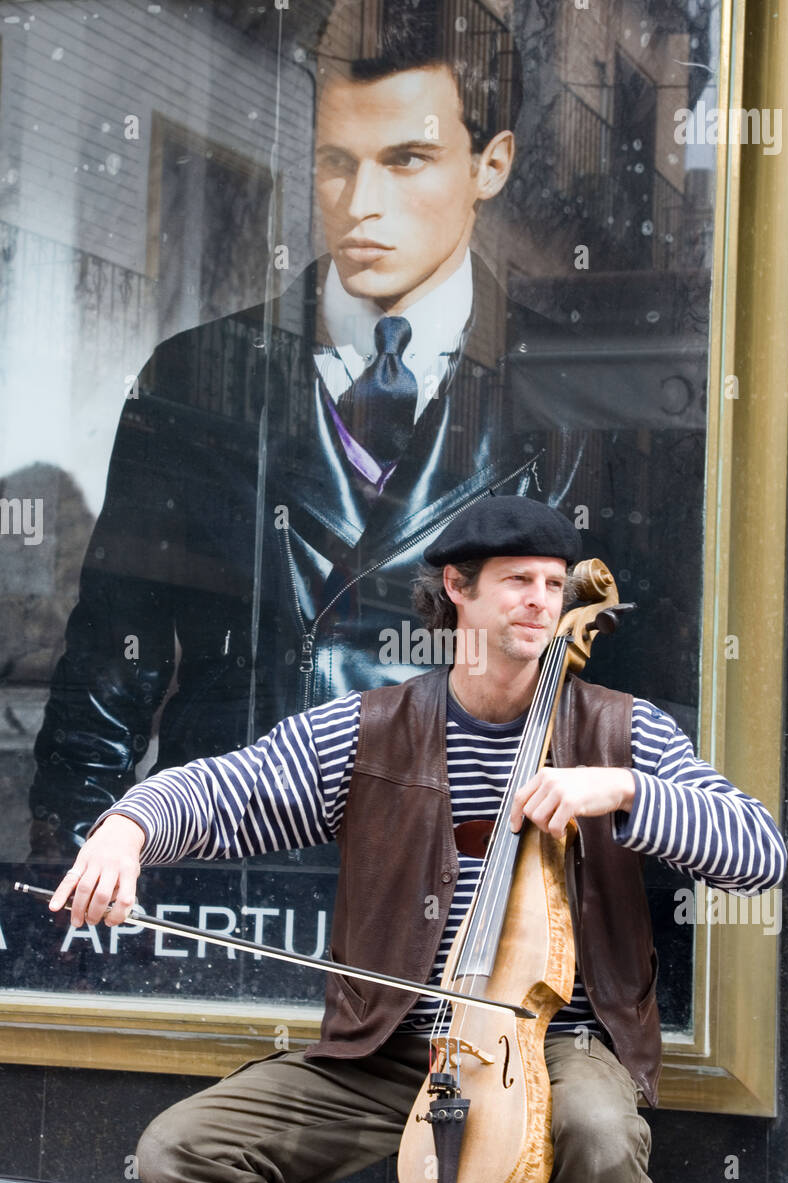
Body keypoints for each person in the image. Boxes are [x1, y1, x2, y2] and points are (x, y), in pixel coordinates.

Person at [49, 496, 787, 1183]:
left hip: (556, 1046)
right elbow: (230, 788)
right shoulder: (372, 728)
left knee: (604, 1137)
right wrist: (129, 827)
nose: (542, 599)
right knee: (181, 1148)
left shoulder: (624, 734)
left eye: (552, 582)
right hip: (396, 1044)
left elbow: (760, 853)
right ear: (457, 588)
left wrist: (622, 790)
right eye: (517, 581)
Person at [30, 0, 589, 856]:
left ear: (492, 163)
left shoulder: (561, 411)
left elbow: (606, 708)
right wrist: (66, 908)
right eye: (337, 162)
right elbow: (109, 676)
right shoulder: (193, 377)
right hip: (223, 894)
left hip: (445, 901)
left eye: (408, 160)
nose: (362, 204)